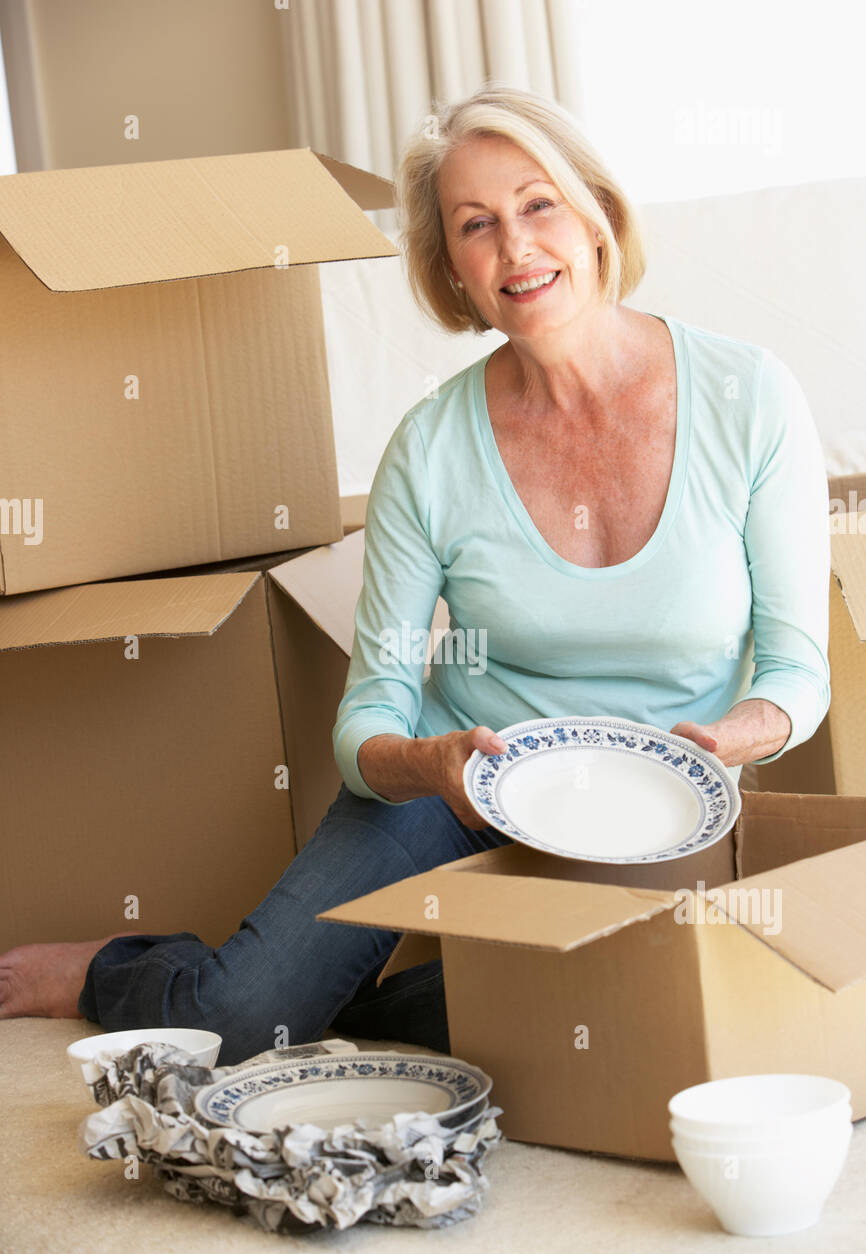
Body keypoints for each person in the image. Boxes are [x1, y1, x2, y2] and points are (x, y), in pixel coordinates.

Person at [0, 83, 830, 1063]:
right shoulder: (429, 449)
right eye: (475, 226)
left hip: (659, 805)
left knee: (614, 1031)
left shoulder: (749, 398)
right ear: (454, 275)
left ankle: (354, 998)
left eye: (537, 204)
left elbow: (793, 671)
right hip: (460, 783)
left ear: (596, 212)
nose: (515, 248)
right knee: (234, 1024)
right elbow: (369, 720)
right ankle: (117, 970)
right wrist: (429, 764)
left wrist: (722, 740)